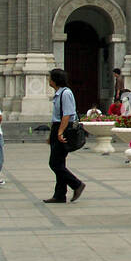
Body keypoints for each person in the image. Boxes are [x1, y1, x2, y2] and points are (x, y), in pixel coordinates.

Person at [45, 68, 85, 204]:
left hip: (64, 128)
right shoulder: (58, 93)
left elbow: (67, 115)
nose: (48, 80)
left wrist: (60, 132)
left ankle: (77, 184)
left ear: (55, 80)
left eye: (50, 78)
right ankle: (60, 194)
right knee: (59, 162)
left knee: (54, 163)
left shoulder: (66, 93)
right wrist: (52, 134)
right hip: (58, 126)